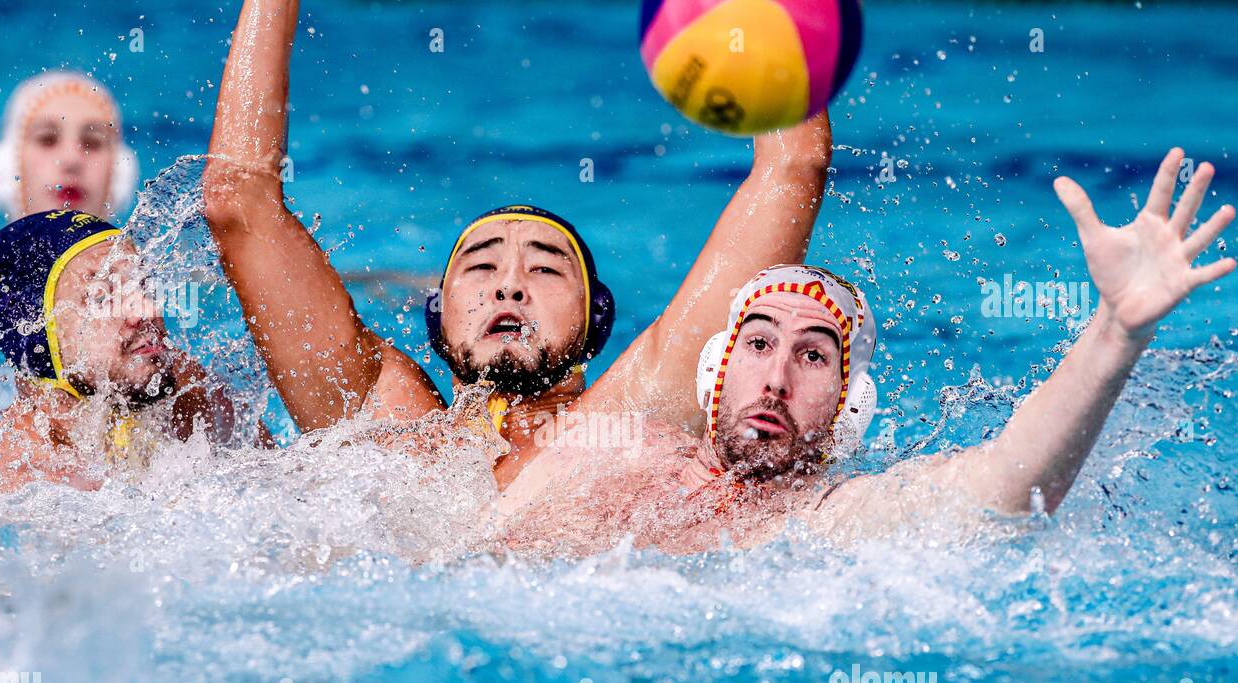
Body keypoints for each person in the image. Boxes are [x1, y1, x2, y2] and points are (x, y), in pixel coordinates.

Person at [201, 0, 832, 488]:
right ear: (437, 316)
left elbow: (792, 165)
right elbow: (238, 198)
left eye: (547, 269)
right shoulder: (371, 419)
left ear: (595, 324)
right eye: (480, 267)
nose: (509, 284)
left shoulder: (635, 418)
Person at [491, 149, 1236, 556]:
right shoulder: (611, 452)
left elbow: (1005, 488)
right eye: (758, 343)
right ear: (717, 370)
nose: (777, 378)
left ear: (850, 408)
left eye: (814, 357)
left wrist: (1117, 332)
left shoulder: (828, 522)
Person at [0, 210, 247, 492]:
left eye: (143, 285)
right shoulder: (26, 479)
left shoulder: (188, 389)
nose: (147, 310)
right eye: (101, 296)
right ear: (39, 335)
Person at [0, 71, 139, 295]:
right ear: (10, 165)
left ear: (119, 172)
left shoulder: (155, 284)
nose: (71, 159)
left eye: (92, 143)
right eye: (47, 140)